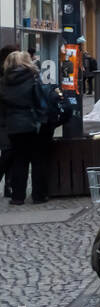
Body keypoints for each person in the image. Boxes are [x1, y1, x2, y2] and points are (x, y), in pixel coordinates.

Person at [1, 50, 51, 204]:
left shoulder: (3, 81)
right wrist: (43, 119)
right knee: (37, 160)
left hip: (14, 126)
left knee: (19, 160)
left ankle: (17, 197)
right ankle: (39, 195)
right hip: (32, 123)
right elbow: (40, 101)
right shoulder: (33, 78)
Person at [0, 44, 18, 197]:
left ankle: (9, 185)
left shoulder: (14, 74)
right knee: (7, 151)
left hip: (12, 118)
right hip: (3, 119)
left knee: (11, 152)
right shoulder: (4, 76)